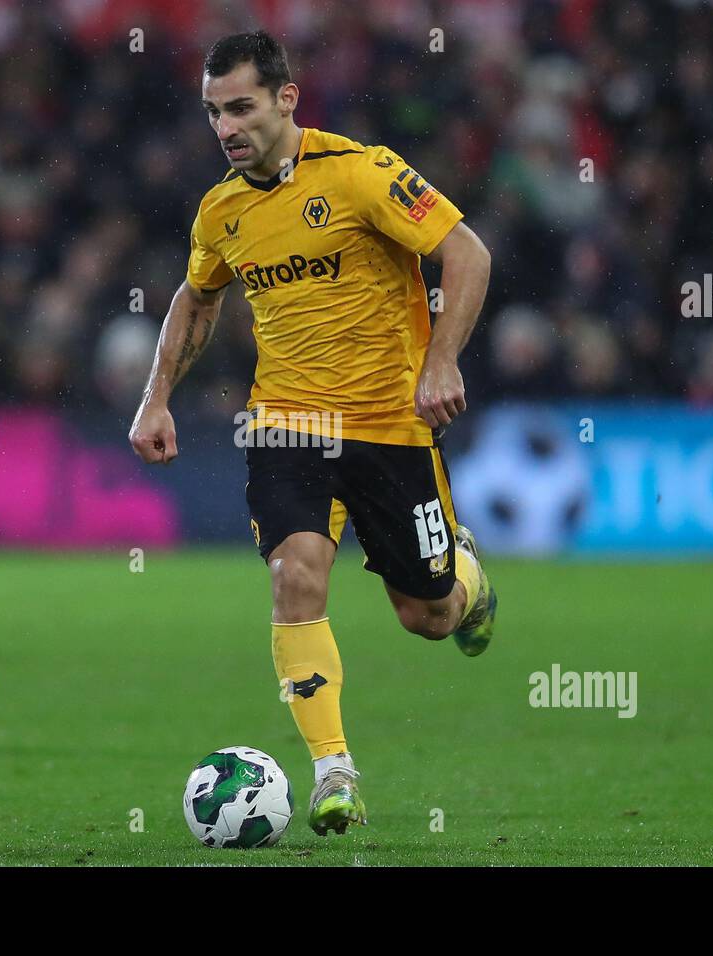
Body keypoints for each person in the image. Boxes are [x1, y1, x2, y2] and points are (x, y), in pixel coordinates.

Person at [128, 30, 496, 836]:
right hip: (288, 423)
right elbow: (198, 298)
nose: (225, 126)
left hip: (390, 425)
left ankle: (468, 582)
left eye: (241, 107)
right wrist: (156, 398)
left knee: (425, 614)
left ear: (286, 99)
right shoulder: (222, 209)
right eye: (213, 111)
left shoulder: (363, 173)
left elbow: (465, 252)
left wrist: (442, 362)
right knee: (295, 576)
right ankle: (335, 772)